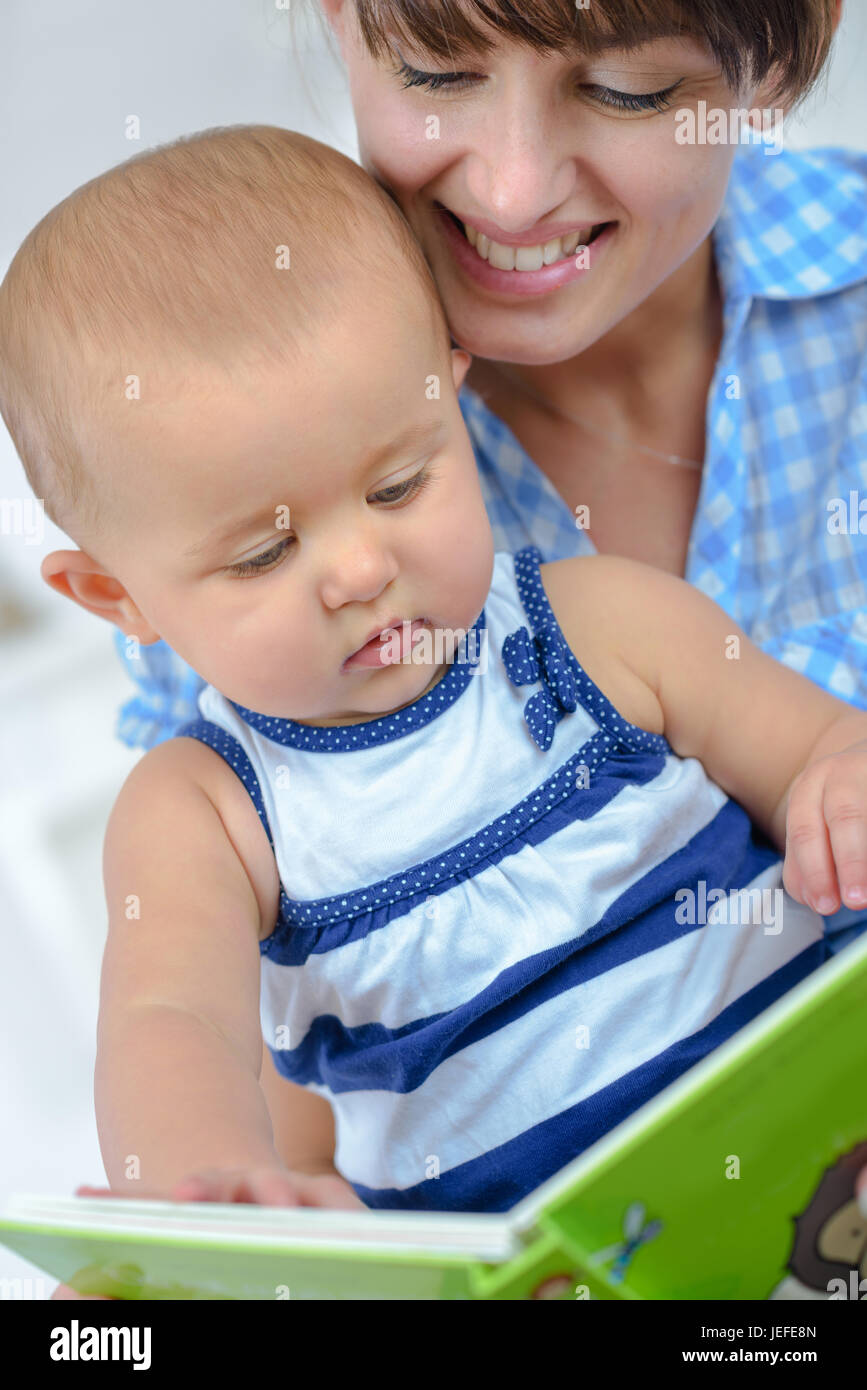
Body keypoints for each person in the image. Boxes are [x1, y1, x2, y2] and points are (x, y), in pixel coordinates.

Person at [2, 126, 866, 1227]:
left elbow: (814, 749)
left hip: (824, 1144)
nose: (361, 569)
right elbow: (172, 1022)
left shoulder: (599, 625)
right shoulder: (207, 811)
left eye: (401, 484)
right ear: (118, 598)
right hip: (535, 1266)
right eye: (266, 554)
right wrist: (211, 1190)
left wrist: (840, 779)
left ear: (456, 395)